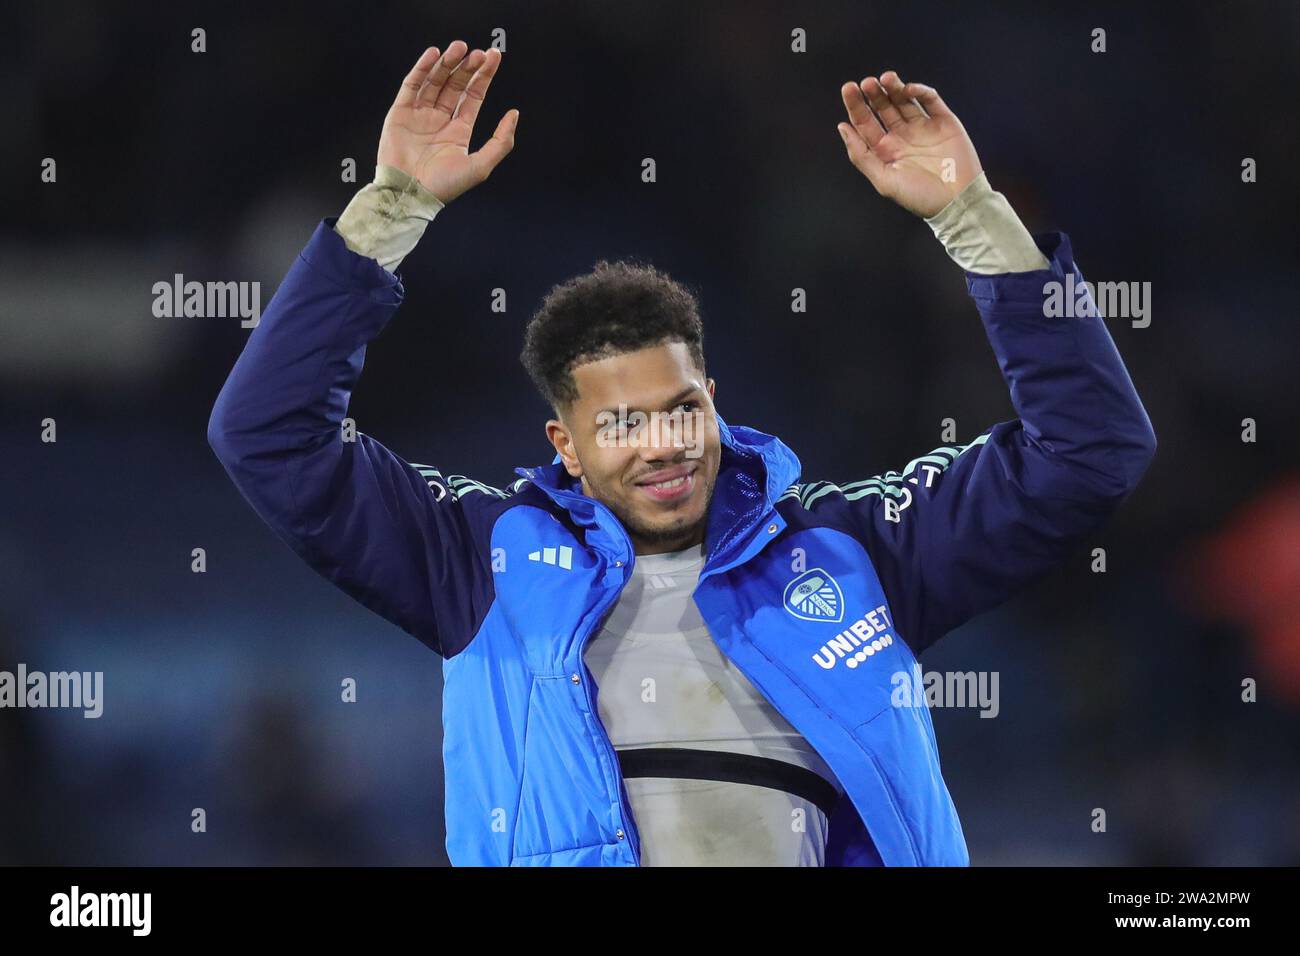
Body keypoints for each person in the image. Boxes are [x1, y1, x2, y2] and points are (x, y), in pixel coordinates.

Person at [208, 40, 1156, 866]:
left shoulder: (853, 553)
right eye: (620, 425)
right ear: (565, 448)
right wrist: (390, 212)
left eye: (680, 410)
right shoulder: (477, 561)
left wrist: (975, 223)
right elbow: (268, 432)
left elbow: (1089, 449)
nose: (662, 446)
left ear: (716, 405)